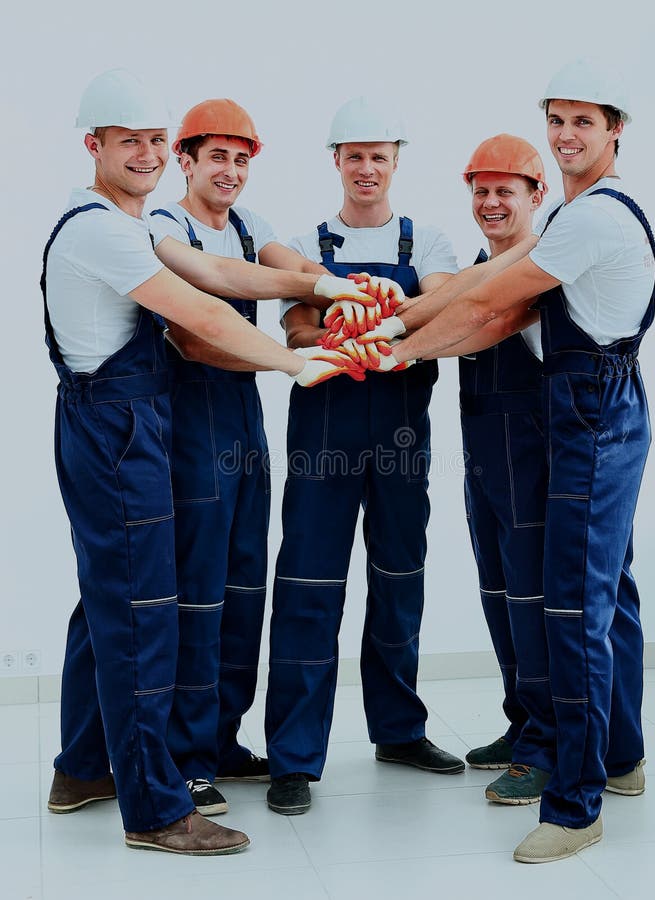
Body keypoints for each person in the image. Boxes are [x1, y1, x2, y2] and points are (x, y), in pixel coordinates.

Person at [44, 69, 388, 854]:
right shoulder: (102, 227)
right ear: (93, 145)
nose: (146, 154)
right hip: (118, 427)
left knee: (114, 605)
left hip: (122, 422)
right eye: (130, 141)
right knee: (143, 616)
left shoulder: (125, 223)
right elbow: (198, 313)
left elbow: (220, 274)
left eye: (153, 142)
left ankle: (85, 766)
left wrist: (321, 281)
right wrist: (294, 362)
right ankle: (157, 807)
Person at [377, 57, 655, 862]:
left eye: (583, 122)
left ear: (613, 131)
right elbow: (476, 294)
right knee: (610, 596)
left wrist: (387, 349)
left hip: (590, 418)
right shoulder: (572, 216)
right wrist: (392, 326)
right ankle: (622, 756)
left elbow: (485, 303)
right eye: (557, 120)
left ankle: (574, 806)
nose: (566, 135)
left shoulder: (594, 219)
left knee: (570, 607)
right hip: (595, 411)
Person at [263, 96, 464, 817]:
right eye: (354, 155)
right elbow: (293, 324)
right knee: (308, 585)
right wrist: (327, 327)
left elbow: (440, 304)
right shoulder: (302, 242)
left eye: (379, 155)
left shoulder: (429, 243)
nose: (367, 168)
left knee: (399, 575)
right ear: (336, 162)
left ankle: (399, 732)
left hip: (403, 433)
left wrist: (367, 314)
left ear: (396, 161)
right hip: (324, 431)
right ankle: (291, 757)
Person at [148, 98, 329, 817]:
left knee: (244, 586)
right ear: (184, 160)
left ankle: (221, 739)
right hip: (192, 420)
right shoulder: (166, 228)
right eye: (215, 156)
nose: (229, 171)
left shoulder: (250, 227)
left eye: (241, 158)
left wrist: (344, 291)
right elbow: (204, 321)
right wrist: (296, 334)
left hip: (245, 422)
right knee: (198, 593)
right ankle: (186, 758)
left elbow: (289, 264)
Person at [457, 135, 556, 805]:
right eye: (481, 190)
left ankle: (546, 744)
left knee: (530, 603)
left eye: (505, 191)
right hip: (480, 462)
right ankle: (521, 725)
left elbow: (483, 323)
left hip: (526, 461)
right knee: (498, 599)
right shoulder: (472, 266)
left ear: (535, 198)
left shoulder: (537, 270)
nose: (490, 202)